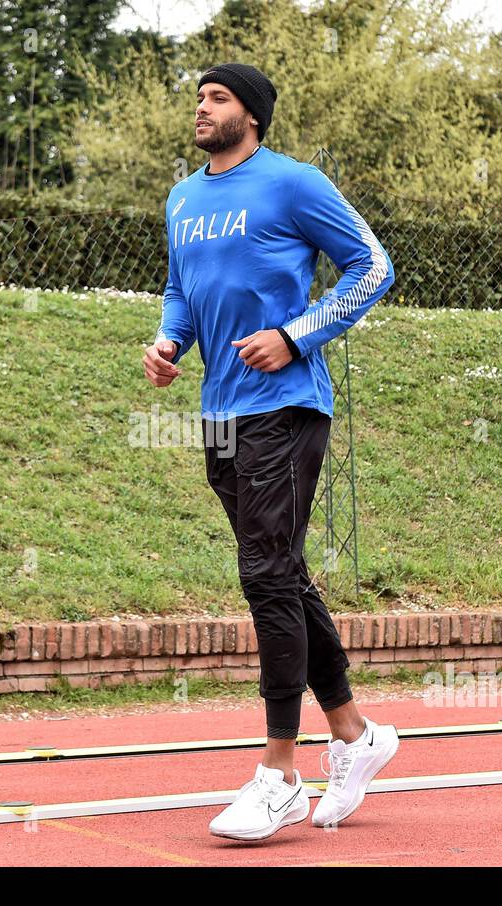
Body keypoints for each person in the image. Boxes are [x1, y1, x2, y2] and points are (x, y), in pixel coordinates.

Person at [140, 63, 400, 842]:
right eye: (198, 98)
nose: (201, 108)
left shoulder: (293, 183)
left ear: (251, 115)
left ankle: (279, 773)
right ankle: (357, 735)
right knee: (280, 570)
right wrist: (167, 341)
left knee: (263, 573)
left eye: (217, 98)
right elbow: (182, 287)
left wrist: (296, 336)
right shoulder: (183, 199)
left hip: (286, 408)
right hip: (219, 413)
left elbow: (373, 266)